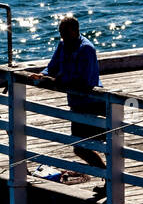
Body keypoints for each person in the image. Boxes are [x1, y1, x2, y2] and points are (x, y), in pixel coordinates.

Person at [39, 15, 106, 170]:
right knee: (80, 147)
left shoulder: (86, 49)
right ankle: (106, 175)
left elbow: (84, 81)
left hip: (92, 104)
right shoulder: (63, 45)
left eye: (66, 33)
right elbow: (52, 67)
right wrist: (43, 75)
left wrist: (58, 80)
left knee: (92, 145)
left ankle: (109, 178)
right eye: (61, 33)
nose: (63, 37)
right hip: (76, 104)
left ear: (76, 31)